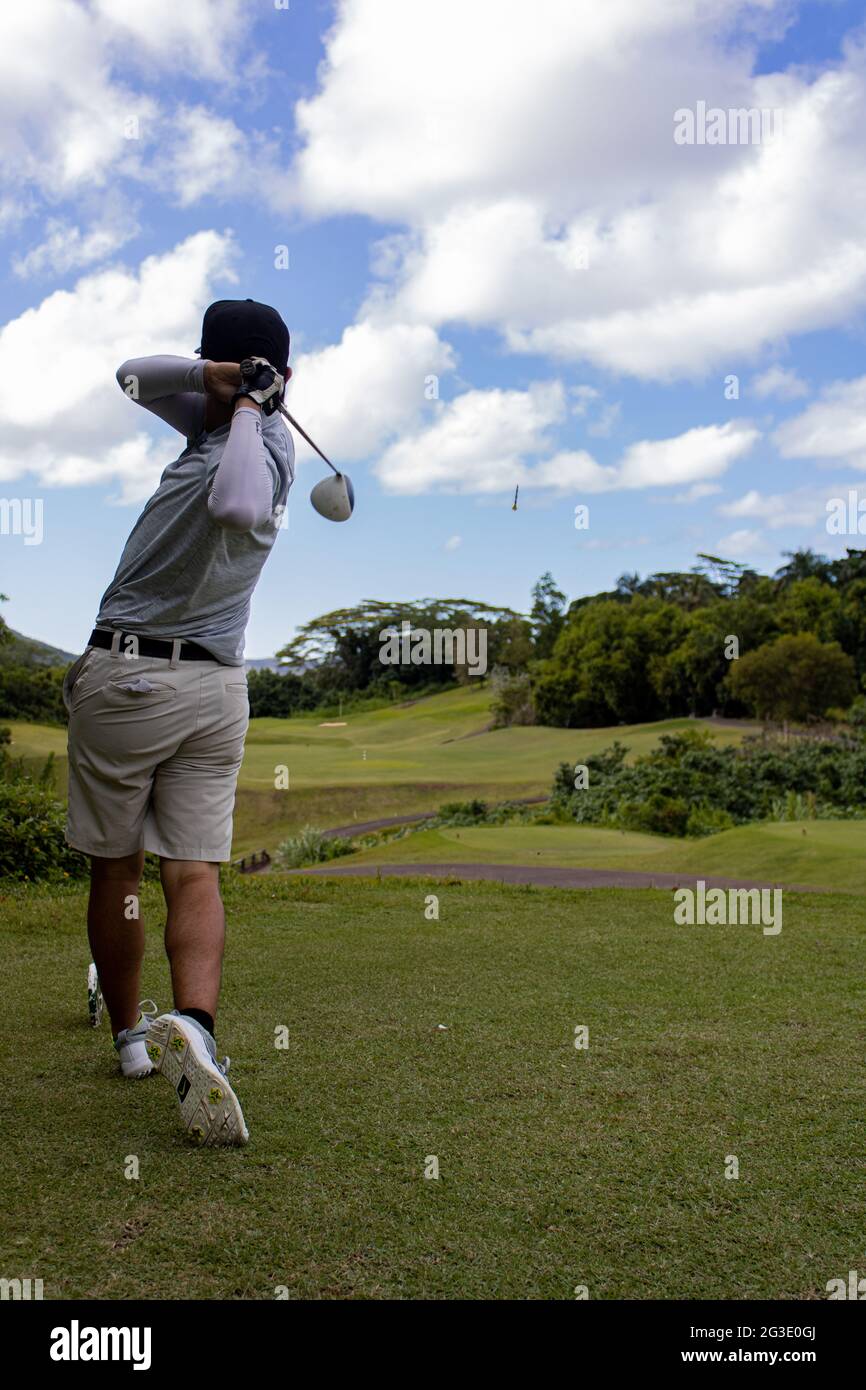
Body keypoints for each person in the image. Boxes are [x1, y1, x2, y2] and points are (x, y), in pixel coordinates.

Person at [63, 298, 294, 1146]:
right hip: (214, 688)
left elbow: (235, 507)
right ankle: (194, 1024)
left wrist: (243, 409)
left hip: (133, 677)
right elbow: (131, 378)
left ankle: (135, 1038)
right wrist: (219, 382)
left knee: (119, 872)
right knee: (192, 872)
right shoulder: (215, 425)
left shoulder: (260, 448)